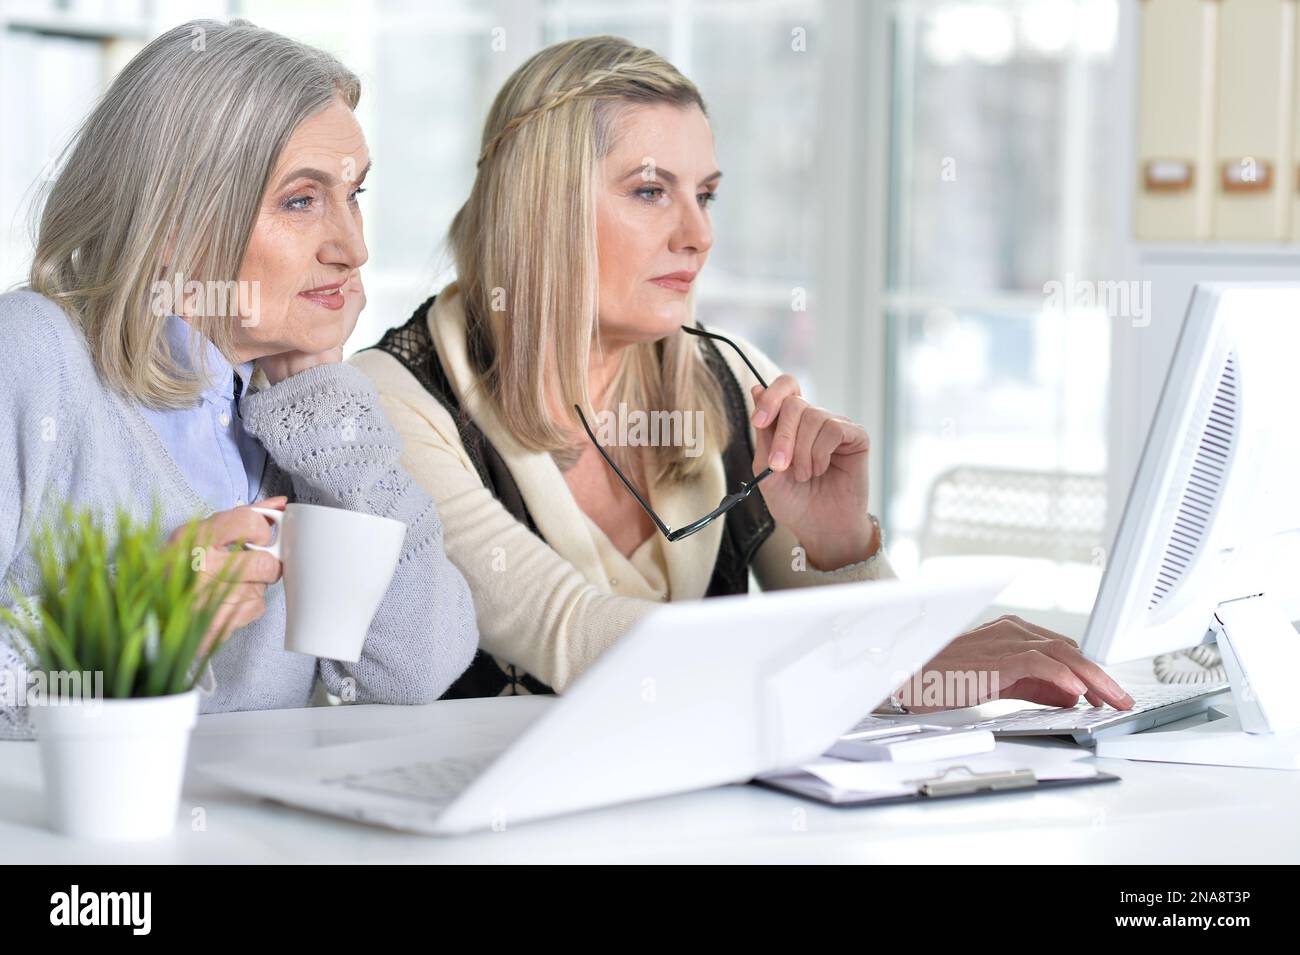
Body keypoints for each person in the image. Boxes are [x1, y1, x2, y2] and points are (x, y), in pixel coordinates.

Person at [351, 36, 1133, 714]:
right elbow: (572, 633)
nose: (698, 234)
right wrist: (902, 659)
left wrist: (837, 548)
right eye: (652, 192)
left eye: (708, 195)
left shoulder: (733, 376)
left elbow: (871, 659)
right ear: (539, 207)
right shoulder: (398, 401)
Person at [0, 19, 478, 740]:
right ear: (173, 222)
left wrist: (322, 397)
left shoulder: (293, 409)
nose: (354, 247)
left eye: (353, 195)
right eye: (300, 200)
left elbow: (415, 669)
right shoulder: (34, 356)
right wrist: (133, 619)